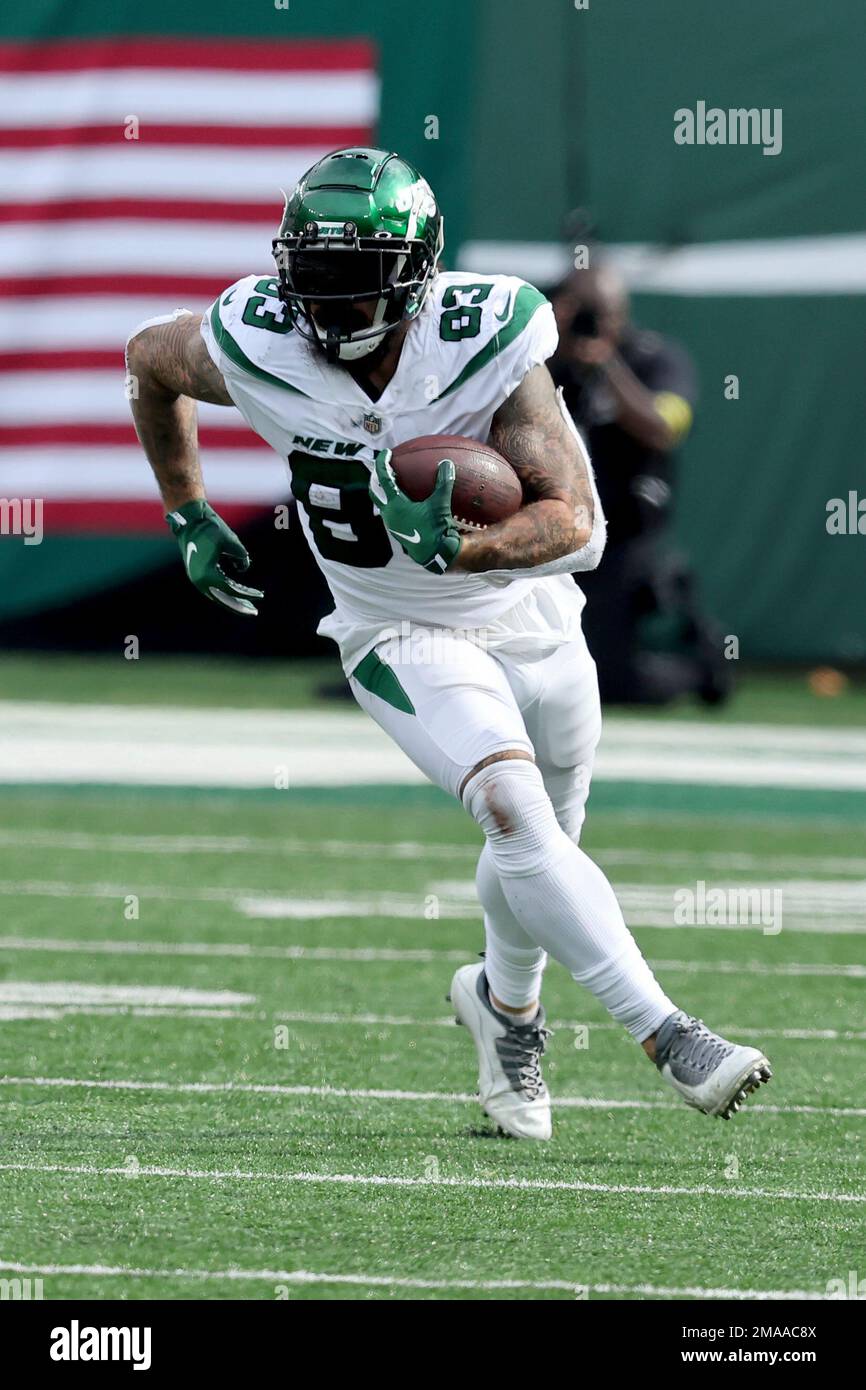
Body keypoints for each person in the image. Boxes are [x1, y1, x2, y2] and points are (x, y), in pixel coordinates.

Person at [126, 147, 770, 1139]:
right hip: (394, 628)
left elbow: (580, 527)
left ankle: (504, 1009)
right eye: (315, 273)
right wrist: (186, 509)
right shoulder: (255, 334)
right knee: (511, 809)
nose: (331, 304)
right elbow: (147, 361)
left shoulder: (483, 334)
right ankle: (669, 1035)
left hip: (532, 613)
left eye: (358, 276)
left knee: (542, 836)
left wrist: (469, 546)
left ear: (417, 271)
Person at [550, 262, 731, 705]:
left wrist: (605, 362)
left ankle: (698, 671)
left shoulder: (655, 359)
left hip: (625, 537)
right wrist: (548, 345)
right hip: (556, 533)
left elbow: (664, 427)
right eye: (581, 312)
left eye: (599, 311)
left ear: (621, 313)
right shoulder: (550, 361)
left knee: (606, 683)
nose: (591, 323)